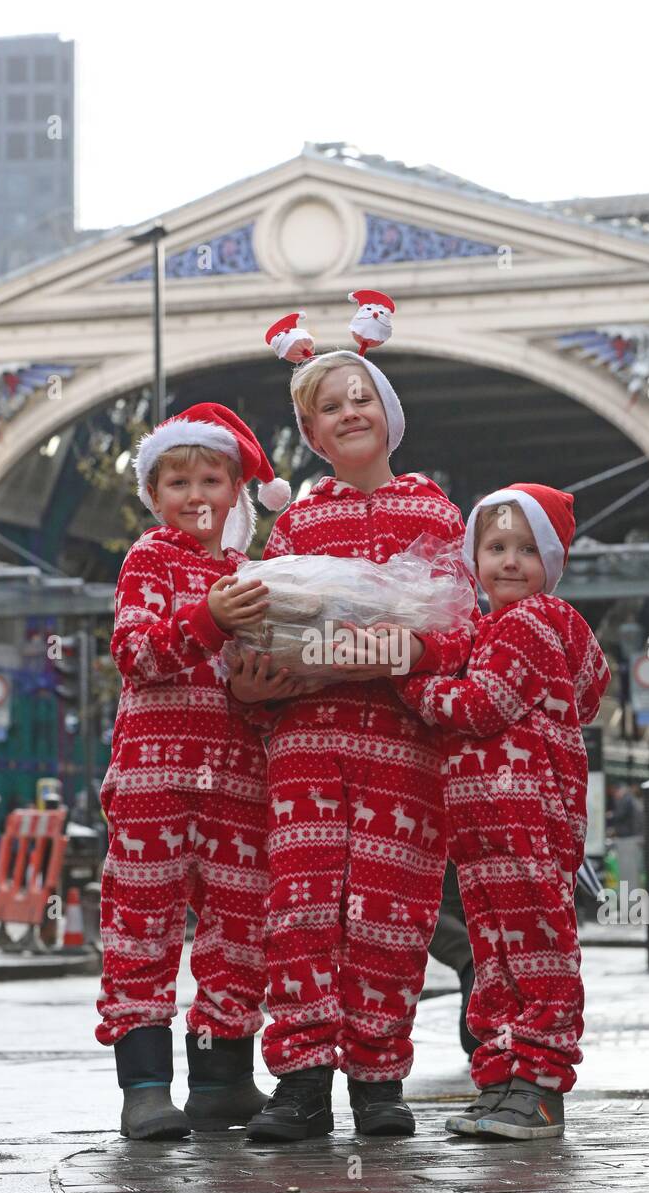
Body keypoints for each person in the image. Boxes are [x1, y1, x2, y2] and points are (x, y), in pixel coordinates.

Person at [231, 348, 481, 1142]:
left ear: (389, 413)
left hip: (405, 748)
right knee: (300, 905)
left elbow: (463, 631)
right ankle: (301, 1077)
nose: (349, 412)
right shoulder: (296, 524)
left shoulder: (436, 513)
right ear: (311, 431)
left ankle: (379, 1078)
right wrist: (254, 684)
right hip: (307, 742)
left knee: (392, 912)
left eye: (361, 398)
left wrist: (412, 653)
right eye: (330, 406)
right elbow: (260, 640)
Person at [97, 402, 300, 1140]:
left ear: (235, 491)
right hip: (153, 777)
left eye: (211, 479)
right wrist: (208, 619)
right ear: (154, 496)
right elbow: (135, 653)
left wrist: (265, 690)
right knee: (142, 923)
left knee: (239, 928)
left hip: (238, 781)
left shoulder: (254, 575)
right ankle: (145, 1087)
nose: (196, 495)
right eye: (176, 480)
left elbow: (265, 681)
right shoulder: (148, 559)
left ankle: (221, 1080)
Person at [397, 485, 611, 1140]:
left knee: (532, 950)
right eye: (495, 548)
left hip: (522, 821)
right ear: (476, 558)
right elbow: (591, 690)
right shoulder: (501, 628)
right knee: (498, 951)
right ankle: (503, 1081)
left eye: (527, 549)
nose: (510, 561)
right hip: (490, 825)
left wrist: (414, 685)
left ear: (551, 560)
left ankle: (538, 1090)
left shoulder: (527, 623)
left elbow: (479, 706)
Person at [608, 782, 644, 893]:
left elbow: (620, 815)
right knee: (630, 869)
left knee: (628, 869)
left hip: (627, 838)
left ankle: (629, 894)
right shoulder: (631, 799)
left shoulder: (626, 800)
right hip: (631, 837)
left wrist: (611, 815)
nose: (615, 796)